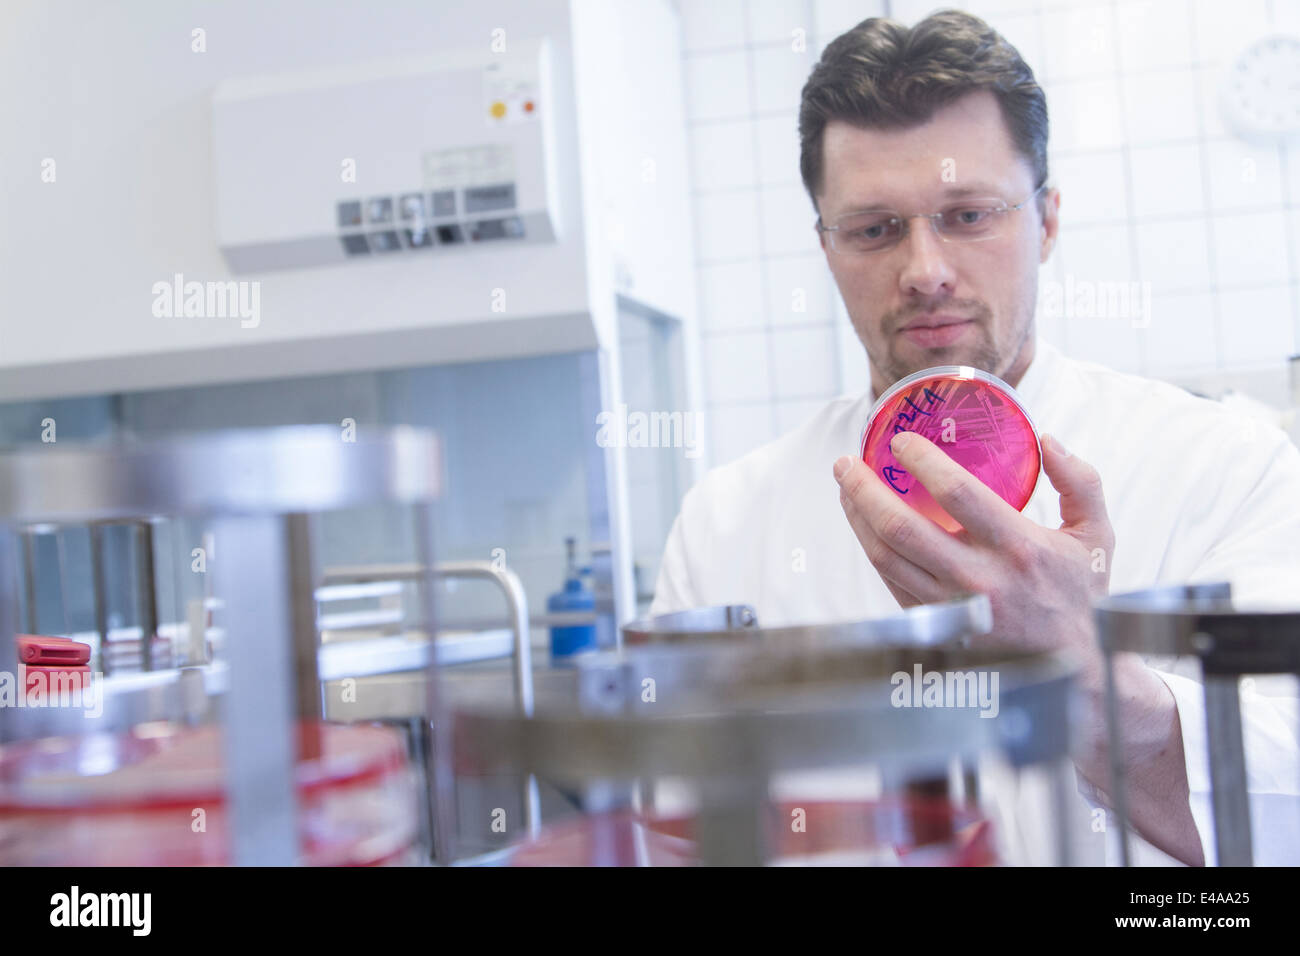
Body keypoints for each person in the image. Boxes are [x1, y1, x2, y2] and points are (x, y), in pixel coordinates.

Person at [651, 9, 1300, 866]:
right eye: (874, 228)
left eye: (968, 215)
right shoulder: (726, 523)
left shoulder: (1225, 468)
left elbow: (1277, 814)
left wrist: (1088, 677)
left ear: (1049, 221)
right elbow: (682, 834)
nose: (924, 271)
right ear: (826, 246)